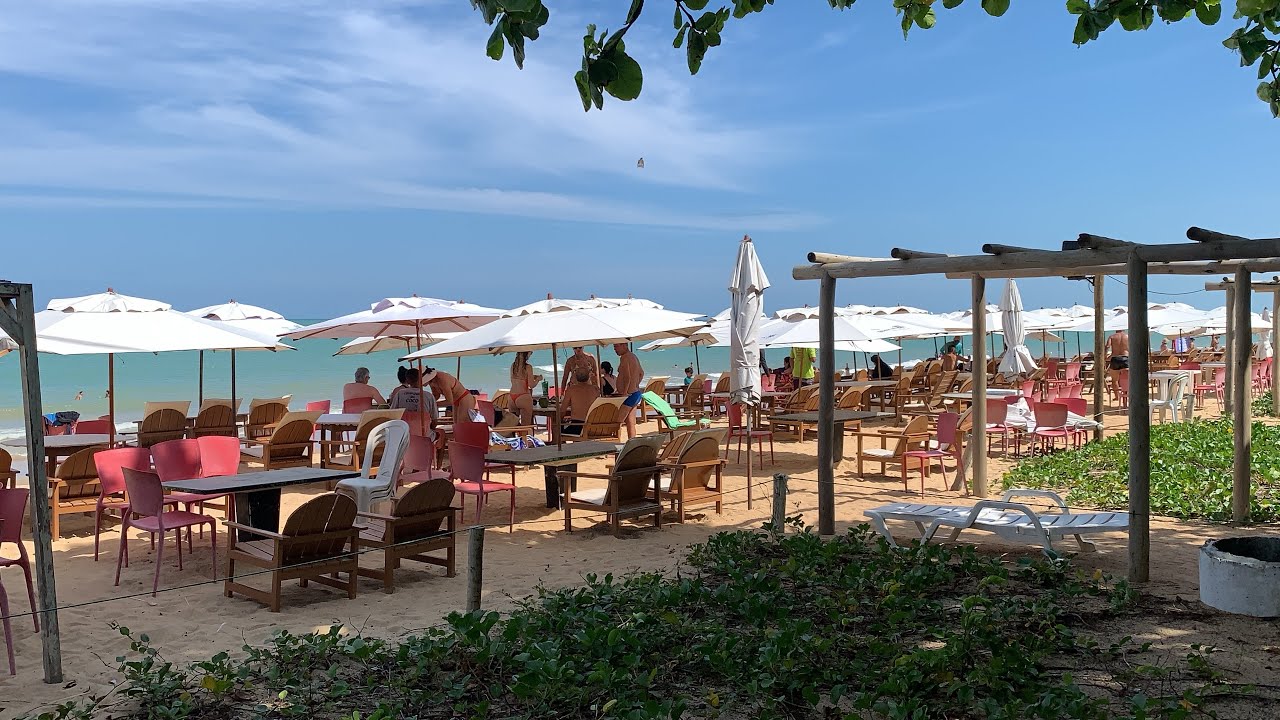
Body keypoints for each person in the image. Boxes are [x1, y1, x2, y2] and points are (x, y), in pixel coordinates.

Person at [614, 342, 644, 439]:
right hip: (635, 393)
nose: (615, 349)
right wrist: (636, 384)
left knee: (617, 422)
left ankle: (616, 442)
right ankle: (632, 442)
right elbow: (641, 373)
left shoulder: (625, 357)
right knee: (630, 423)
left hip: (628, 395)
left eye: (616, 346)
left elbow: (627, 377)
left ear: (624, 345)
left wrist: (624, 392)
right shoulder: (633, 356)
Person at [559, 368, 600, 438]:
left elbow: (563, 410)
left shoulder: (571, 390)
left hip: (577, 427)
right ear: (588, 377)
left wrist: (560, 421)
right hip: (593, 426)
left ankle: (560, 444)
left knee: (557, 427)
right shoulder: (595, 390)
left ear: (576, 377)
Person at [509, 351, 542, 426]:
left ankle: (515, 434)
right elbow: (531, 385)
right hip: (523, 396)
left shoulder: (513, 366)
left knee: (513, 426)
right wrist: (538, 379)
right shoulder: (528, 367)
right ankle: (523, 434)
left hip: (511, 397)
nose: (531, 354)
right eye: (530, 353)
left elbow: (515, 379)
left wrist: (532, 377)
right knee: (525, 426)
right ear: (526, 354)